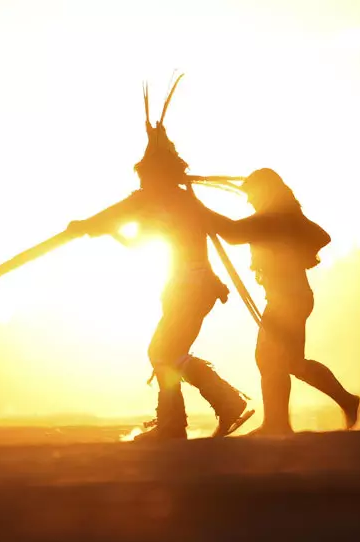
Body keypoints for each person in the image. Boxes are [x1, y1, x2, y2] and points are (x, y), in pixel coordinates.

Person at [67, 79, 253, 442]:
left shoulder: (157, 200)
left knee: (163, 352)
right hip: (190, 288)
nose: (142, 181)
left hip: (191, 287)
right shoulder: (175, 202)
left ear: (154, 174)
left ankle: (190, 418)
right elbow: (132, 235)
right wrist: (100, 230)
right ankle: (195, 414)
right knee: (168, 352)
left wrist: (88, 226)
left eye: (145, 175)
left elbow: (116, 215)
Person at [219, 168, 360, 436]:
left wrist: (200, 215)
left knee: (269, 359)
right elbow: (320, 237)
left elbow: (232, 233)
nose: (249, 201)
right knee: (291, 363)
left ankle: (277, 424)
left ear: (264, 192)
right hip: (290, 297)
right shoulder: (282, 217)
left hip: (289, 299)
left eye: (252, 196)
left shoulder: (272, 219)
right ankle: (345, 402)